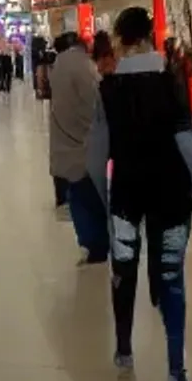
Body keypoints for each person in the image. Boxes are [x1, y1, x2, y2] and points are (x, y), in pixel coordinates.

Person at [88, 7, 192, 381]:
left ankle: (124, 349)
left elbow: (97, 153)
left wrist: (104, 197)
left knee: (124, 270)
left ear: (120, 40)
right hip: (170, 188)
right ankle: (176, 372)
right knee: (172, 276)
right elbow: (185, 140)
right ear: (150, 35)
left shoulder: (108, 89)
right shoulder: (170, 81)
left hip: (127, 190)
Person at [50, 32, 108, 262]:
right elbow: (94, 101)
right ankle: (97, 244)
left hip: (64, 137)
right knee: (91, 193)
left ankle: (86, 241)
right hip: (84, 140)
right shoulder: (83, 66)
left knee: (76, 192)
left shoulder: (59, 63)